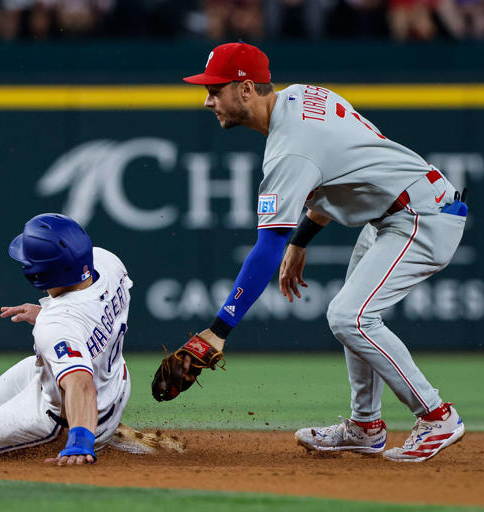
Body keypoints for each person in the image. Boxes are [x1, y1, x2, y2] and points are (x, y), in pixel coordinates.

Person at [156, 42, 467, 463]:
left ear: (246, 89)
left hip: (420, 217)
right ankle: (365, 426)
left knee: (349, 316)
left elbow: (267, 248)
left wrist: (218, 331)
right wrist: (302, 240)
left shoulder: (290, 149)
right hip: (397, 212)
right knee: (353, 316)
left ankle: (436, 416)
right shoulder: (301, 95)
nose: (208, 100)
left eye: (216, 88)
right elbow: (343, 169)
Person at [0, 213, 133, 464]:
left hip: (75, 416)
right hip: (114, 381)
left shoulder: (57, 324)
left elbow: (80, 384)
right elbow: (90, 312)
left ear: (38, 274)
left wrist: (80, 442)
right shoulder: (106, 262)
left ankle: (84, 438)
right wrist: (49, 312)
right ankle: (102, 430)